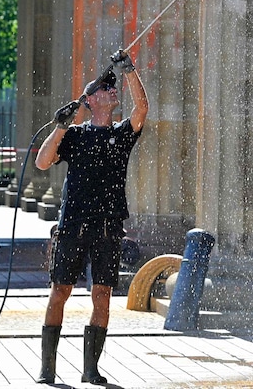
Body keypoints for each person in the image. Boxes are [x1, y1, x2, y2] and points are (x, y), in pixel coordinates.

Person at [33, 49, 148, 385]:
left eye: (113, 86)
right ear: (89, 100)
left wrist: (129, 71)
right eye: (104, 88)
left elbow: (142, 108)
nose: (112, 90)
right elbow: (42, 161)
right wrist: (61, 126)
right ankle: (48, 369)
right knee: (61, 291)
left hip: (109, 228)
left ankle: (90, 369)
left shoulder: (122, 134)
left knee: (102, 294)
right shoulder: (76, 136)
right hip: (73, 225)